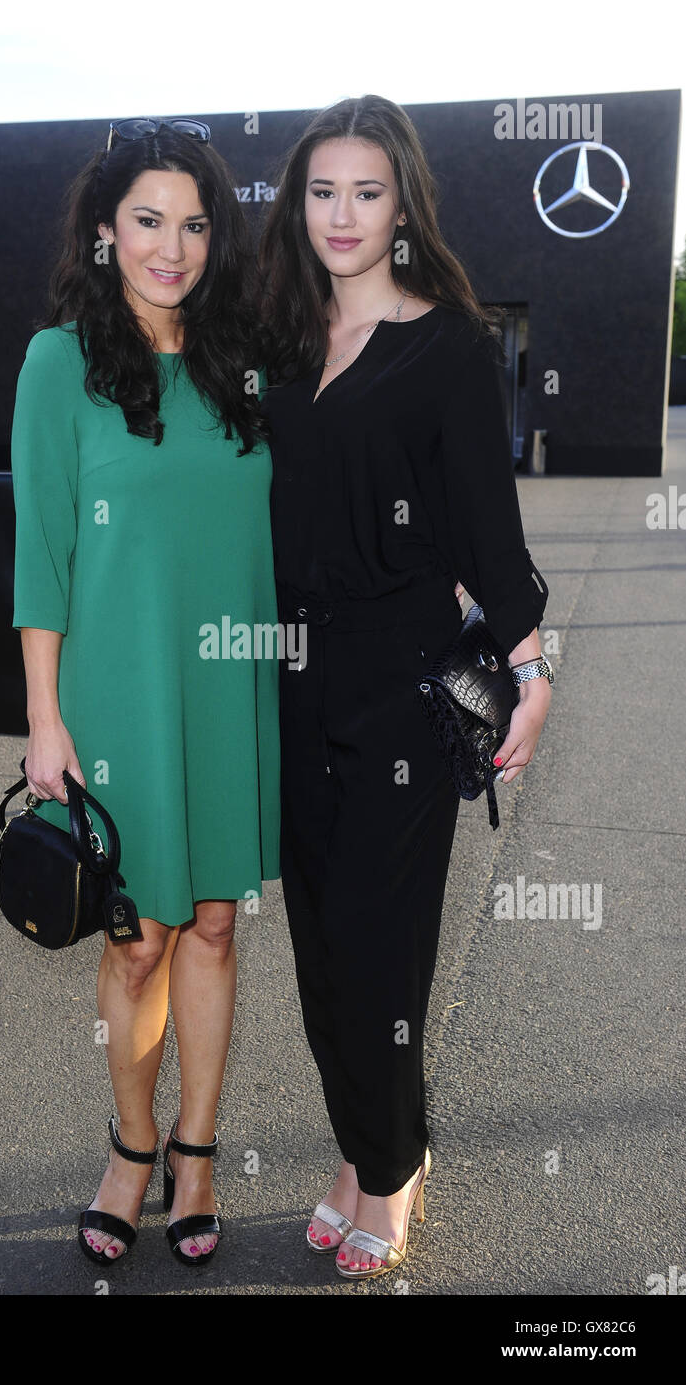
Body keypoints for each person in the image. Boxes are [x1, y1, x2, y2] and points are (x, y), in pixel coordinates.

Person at [258, 94, 553, 1282]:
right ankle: (360, 1148)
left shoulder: (449, 347)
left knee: (379, 947)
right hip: (292, 679)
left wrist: (528, 669)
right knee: (319, 948)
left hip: (402, 686)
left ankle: (393, 1168)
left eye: (366, 192)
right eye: (322, 191)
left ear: (402, 207)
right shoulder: (280, 345)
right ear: (299, 205)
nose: (342, 214)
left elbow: (489, 526)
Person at [10, 119, 280, 1268]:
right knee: (137, 939)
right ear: (104, 229)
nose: (172, 248)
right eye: (149, 221)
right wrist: (45, 718)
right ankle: (130, 1146)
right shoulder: (57, 363)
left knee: (213, 923)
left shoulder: (244, 359)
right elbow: (42, 552)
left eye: (195, 224)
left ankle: (196, 1149)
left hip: (229, 684)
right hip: (115, 694)